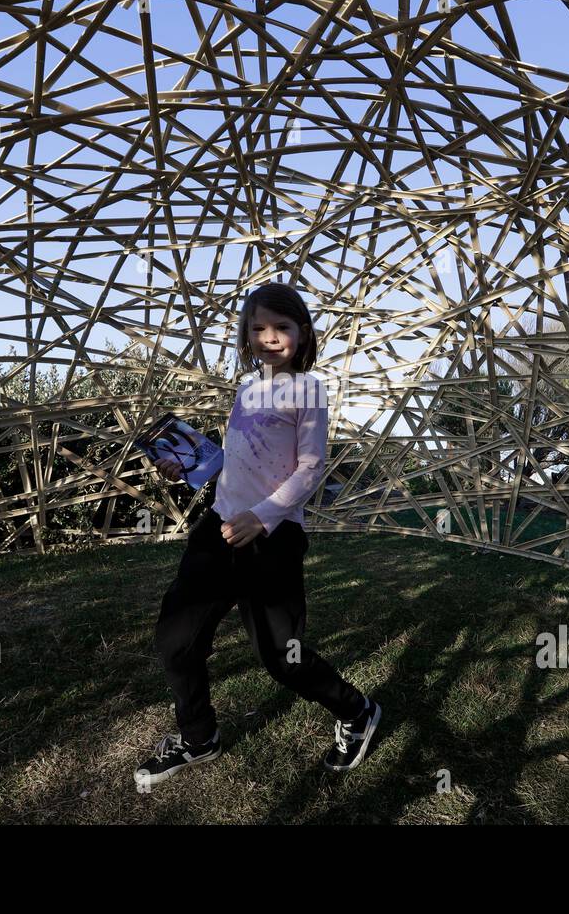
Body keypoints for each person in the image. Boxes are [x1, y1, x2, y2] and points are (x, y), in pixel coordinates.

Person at [135, 283, 380, 788]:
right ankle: (198, 737)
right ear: (246, 337)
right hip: (219, 525)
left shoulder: (308, 389)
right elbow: (235, 460)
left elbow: (311, 468)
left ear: (302, 333)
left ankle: (357, 711)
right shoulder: (246, 389)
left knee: (281, 657)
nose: (270, 337)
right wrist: (182, 465)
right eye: (258, 328)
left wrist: (263, 516)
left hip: (273, 536)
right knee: (175, 640)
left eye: (282, 327)